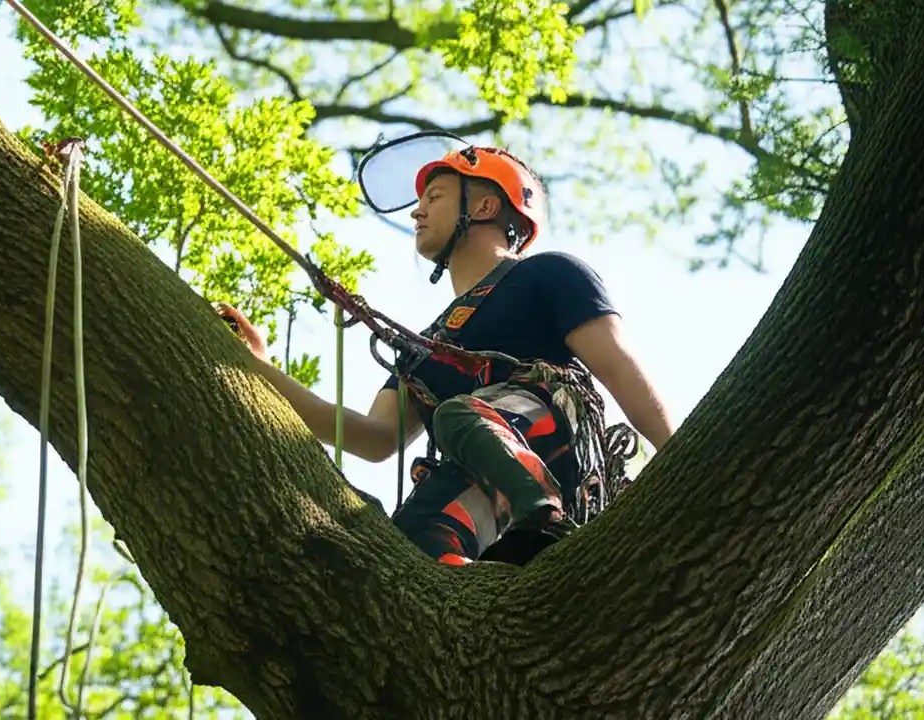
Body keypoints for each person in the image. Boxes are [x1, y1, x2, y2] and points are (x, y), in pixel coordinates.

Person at [217, 143, 673, 566]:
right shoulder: (428, 345)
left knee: (460, 416)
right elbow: (375, 437)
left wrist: (679, 457)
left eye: (434, 196)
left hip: (551, 438)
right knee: (413, 536)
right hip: (484, 468)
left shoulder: (548, 274)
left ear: (484, 206)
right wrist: (257, 370)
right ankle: (475, 593)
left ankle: (545, 515)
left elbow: (617, 364)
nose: (418, 211)